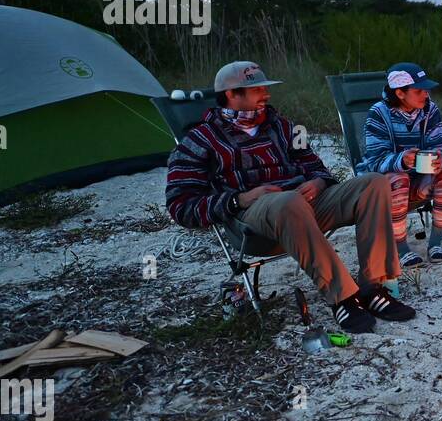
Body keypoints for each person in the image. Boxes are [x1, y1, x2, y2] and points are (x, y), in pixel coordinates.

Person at [165, 61, 415, 332]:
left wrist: (319, 183)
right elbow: (181, 206)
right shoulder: (201, 140)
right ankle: (342, 297)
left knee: (374, 184)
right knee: (288, 201)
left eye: (265, 87)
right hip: (254, 222)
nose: (266, 93)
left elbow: (317, 167)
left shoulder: (283, 127)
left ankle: (372, 288)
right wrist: (240, 199)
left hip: (307, 208)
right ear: (232, 94)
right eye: (256, 89)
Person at [355, 62, 442, 267]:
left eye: (426, 89)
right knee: (399, 177)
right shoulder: (379, 114)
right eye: (419, 91)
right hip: (383, 184)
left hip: (420, 180)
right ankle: (401, 249)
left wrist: (440, 158)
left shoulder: (430, 111)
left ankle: (435, 245)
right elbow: (375, 161)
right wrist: (401, 160)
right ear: (400, 93)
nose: (426, 95)